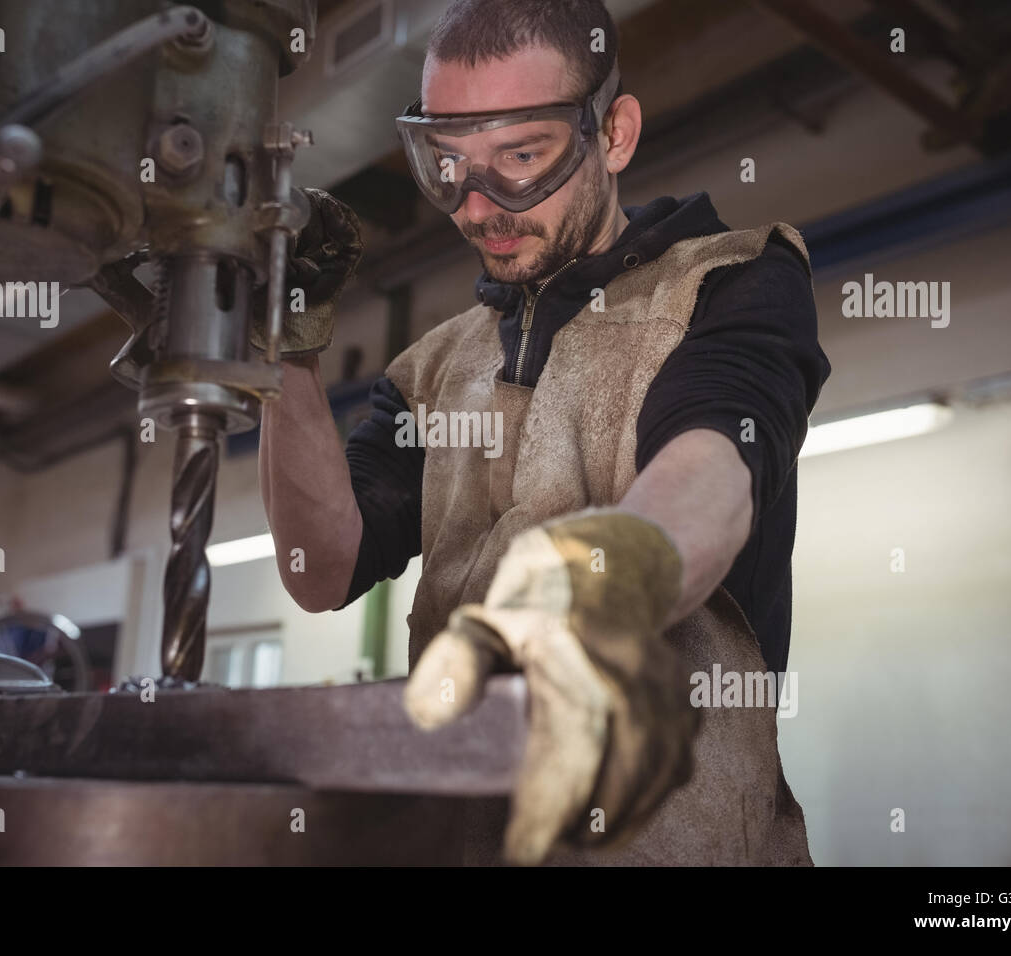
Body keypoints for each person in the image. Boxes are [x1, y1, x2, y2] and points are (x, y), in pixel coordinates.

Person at [257, 0, 831, 865]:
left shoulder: (729, 283)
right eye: (447, 163)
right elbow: (319, 570)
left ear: (616, 134)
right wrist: (283, 351)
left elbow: (709, 470)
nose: (479, 204)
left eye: (522, 157)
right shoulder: (434, 367)